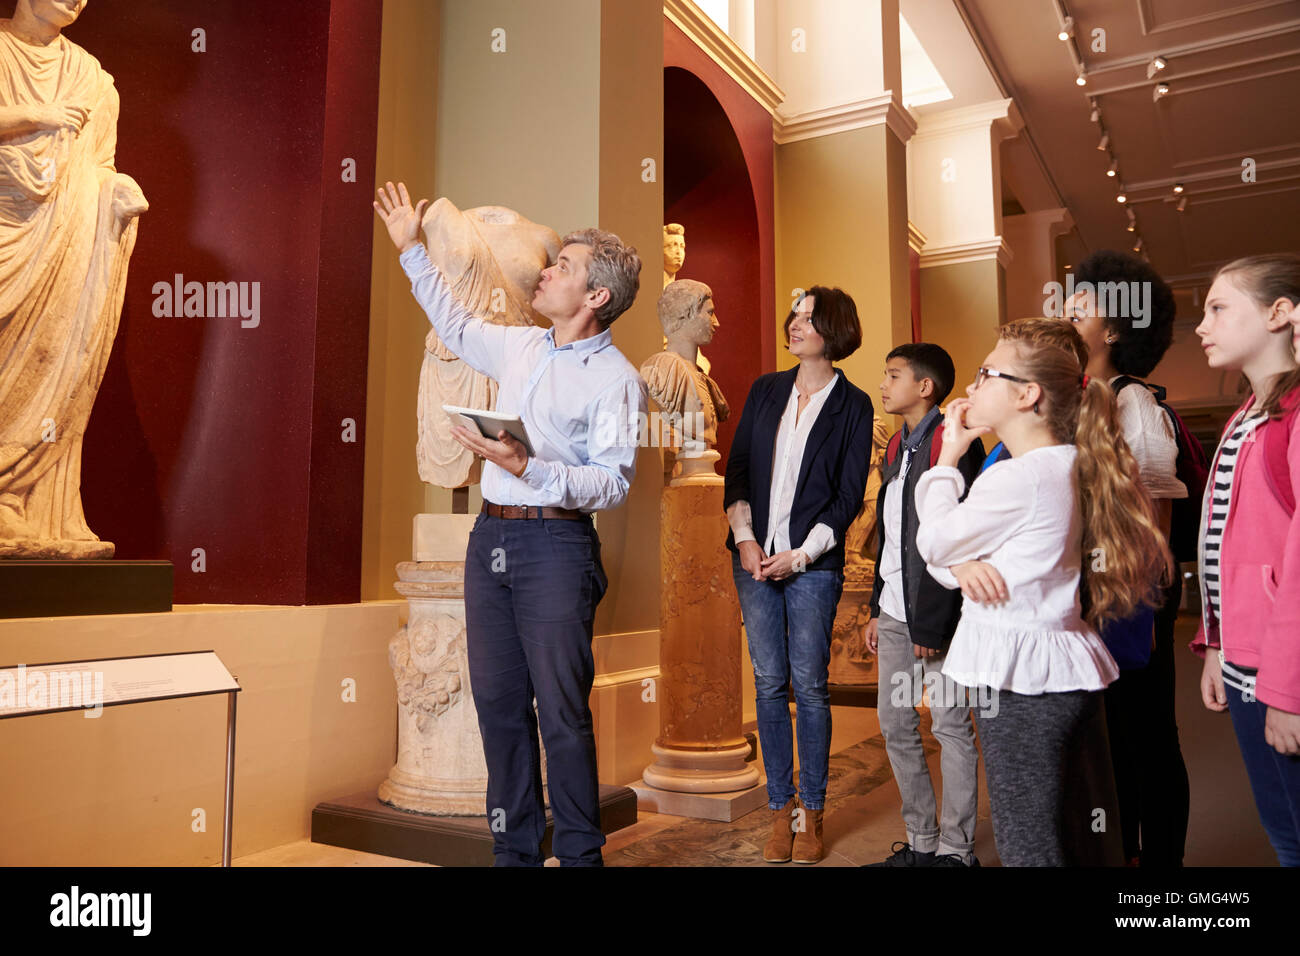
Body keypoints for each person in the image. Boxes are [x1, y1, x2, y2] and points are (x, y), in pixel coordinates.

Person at [374, 181, 647, 866]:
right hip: (490, 540)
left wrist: (528, 467)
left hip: (556, 546)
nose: (547, 270)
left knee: (559, 714)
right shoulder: (522, 347)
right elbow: (457, 326)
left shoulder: (616, 379)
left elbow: (612, 482)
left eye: (565, 267)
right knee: (498, 707)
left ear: (595, 298)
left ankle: (582, 857)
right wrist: (411, 250)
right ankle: (514, 854)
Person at [914, 318, 1171, 866]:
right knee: (1074, 831)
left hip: (1021, 681)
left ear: (1027, 394)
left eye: (986, 373)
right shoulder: (1064, 463)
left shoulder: (1017, 477)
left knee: (1028, 840)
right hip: (1059, 669)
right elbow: (948, 558)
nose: (973, 385)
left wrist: (946, 458)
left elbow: (931, 539)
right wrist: (961, 565)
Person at [723, 287, 873, 864]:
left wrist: (802, 555)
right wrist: (745, 539)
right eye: (795, 315)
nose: (795, 325)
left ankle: (812, 812)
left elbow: (847, 497)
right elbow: (736, 467)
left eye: (809, 319)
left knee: (809, 687)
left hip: (812, 565)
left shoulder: (854, 405)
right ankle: (778, 811)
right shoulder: (765, 391)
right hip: (754, 560)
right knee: (767, 685)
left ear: (833, 332)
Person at [1065, 249, 1189, 867]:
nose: (1067, 312)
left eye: (1080, 305)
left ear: (1114, 329)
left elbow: (1159, 508)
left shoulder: (1132, 401)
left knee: (1146, 735)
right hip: (1091, 591)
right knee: (1109, 735)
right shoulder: (1080, 397)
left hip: (1132, 591)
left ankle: (1160, 867)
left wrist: (1141, 588)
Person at [1193, 254, 1300, 866]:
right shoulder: (1244, 415)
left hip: (1283, 674)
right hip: (1244, 663)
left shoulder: (1293, 413)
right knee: (1282, 831)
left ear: (1279, 314)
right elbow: (1223, 544)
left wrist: (1285, 689)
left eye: (1218, 308)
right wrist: (1216, 645)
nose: (1202, 326)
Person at [864, 344, 986, 868]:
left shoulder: (955, 444)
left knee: (950, 726)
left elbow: (956, 540)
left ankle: (957, 852)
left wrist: (932, 622)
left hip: (939, 617)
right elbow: (891, 537)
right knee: (895, 724)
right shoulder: (895, 447)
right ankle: (922, 843)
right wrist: (875, 606)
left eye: (893, 376)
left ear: (925, 387)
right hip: (893, 611)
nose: (884, 384)